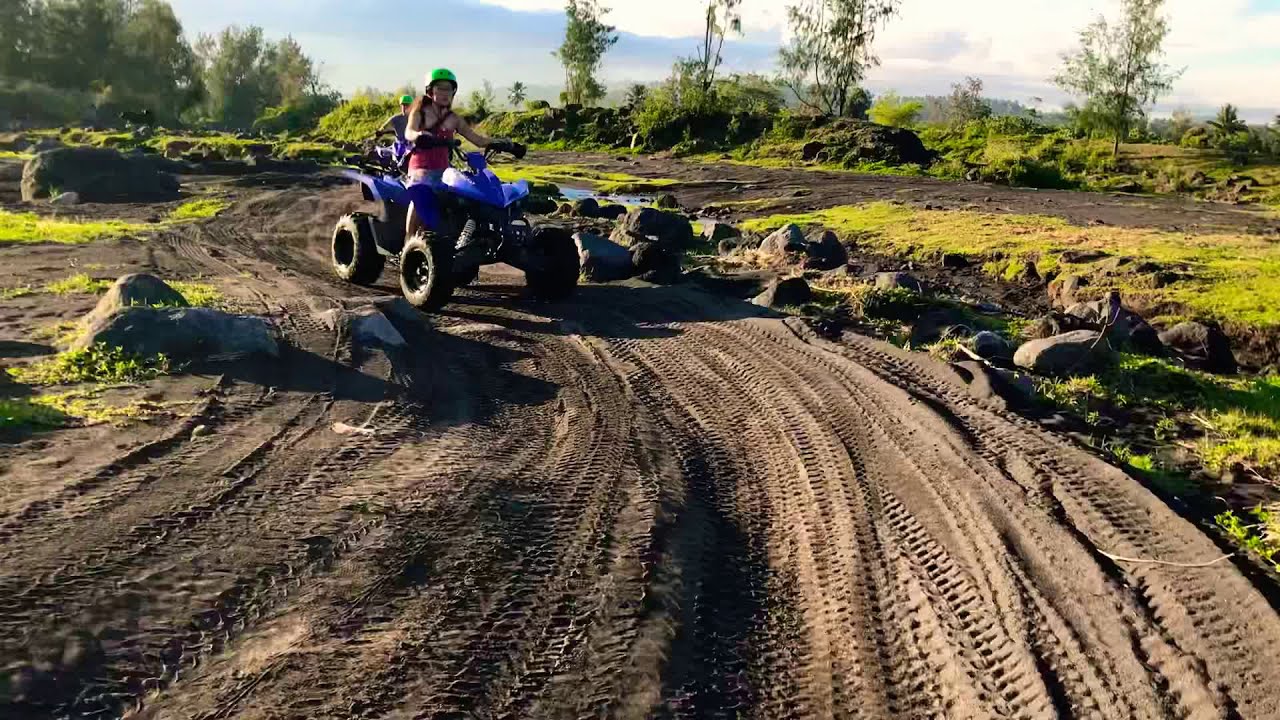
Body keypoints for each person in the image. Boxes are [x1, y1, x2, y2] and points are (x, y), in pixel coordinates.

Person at [403, 68, 521, 238]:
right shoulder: (420, 112)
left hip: (443, 169)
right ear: (430, 91)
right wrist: (419, 135)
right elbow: (409, 132)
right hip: (420, 167)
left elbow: (478, 140)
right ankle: (408, 238)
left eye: (449, 89)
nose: (445, 93)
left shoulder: (455, 118)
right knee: (420, 189)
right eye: (440, 88)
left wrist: (506, 143)